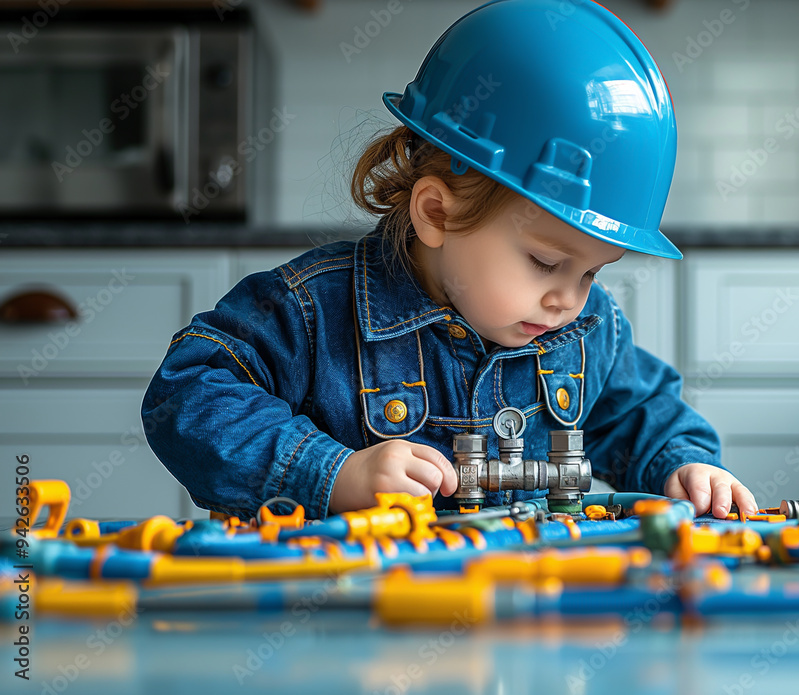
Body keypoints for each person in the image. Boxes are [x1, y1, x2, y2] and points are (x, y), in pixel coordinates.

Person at [141, 0, 757, 521]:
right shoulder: (314, 309)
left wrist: (688, 466)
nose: (569, 300)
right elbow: (188, 393)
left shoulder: (587, 329)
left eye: (592, 271)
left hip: (525, 624)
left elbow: (647, 414)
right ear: (436, 214)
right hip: (350, 628)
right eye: (545, 262)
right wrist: (333, 475)